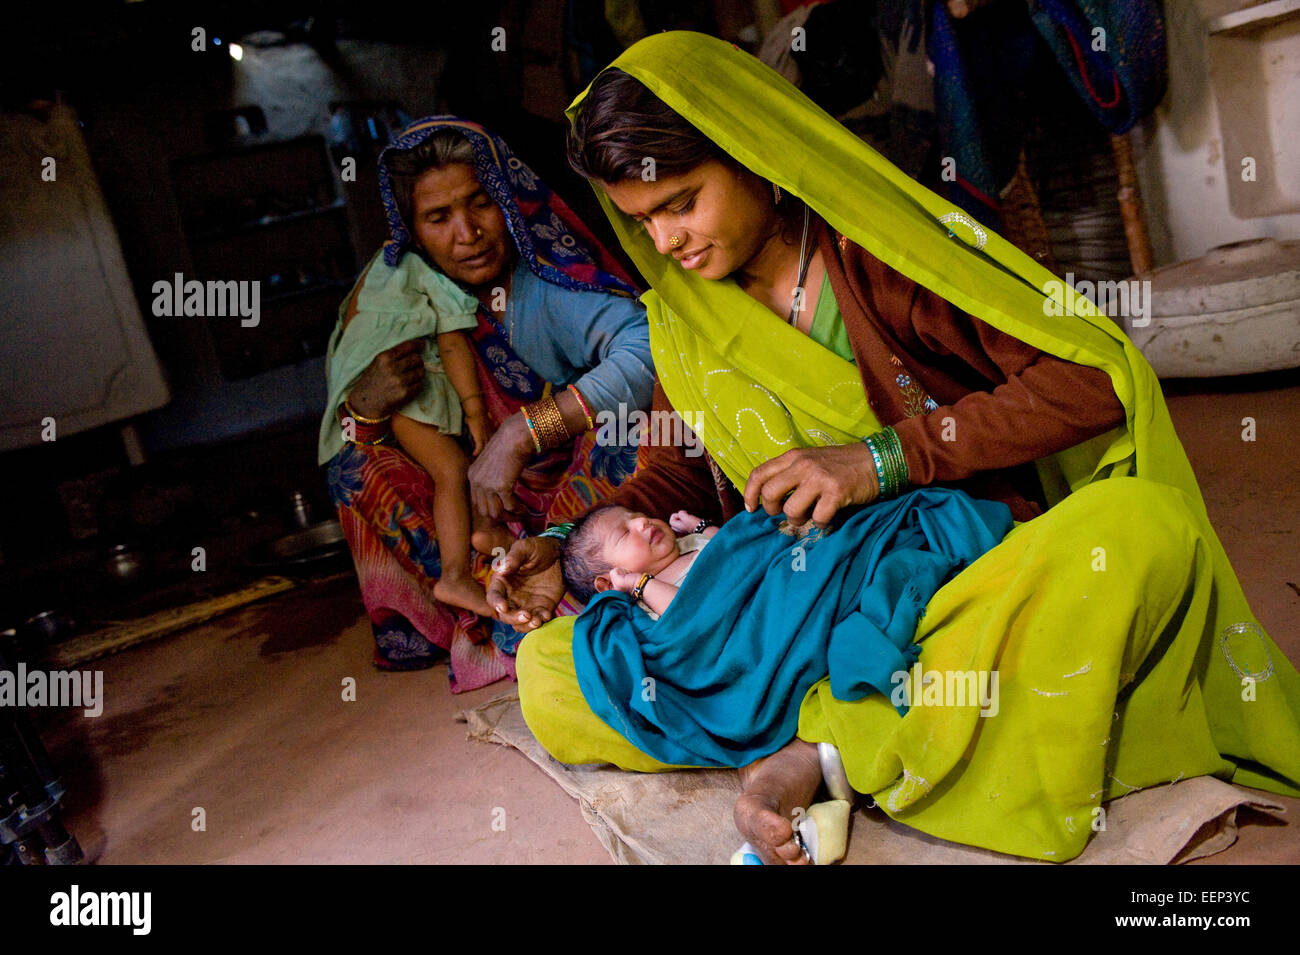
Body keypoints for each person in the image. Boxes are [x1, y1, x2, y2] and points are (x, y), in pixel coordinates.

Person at [488, 32, 1300, 863]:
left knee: (1138, 529)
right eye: (641, 222)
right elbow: (676, 469)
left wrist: (884, 459)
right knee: (551, 665)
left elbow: (1089, 380)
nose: (667, 244)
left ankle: (826, 741)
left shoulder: (881, 253)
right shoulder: (685, 315)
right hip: (777, 625)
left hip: (940, 589)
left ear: (752, 153)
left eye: (682, 203)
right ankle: (858, 725)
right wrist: (566, 547)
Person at [319, 117, 654, 690]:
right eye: (438, 218)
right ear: (413, 231)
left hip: (577, 492)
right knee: (356, 462)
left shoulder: (546, 283)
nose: (467, 233)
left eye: (480, 204)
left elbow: (652, 351)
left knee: (633, 428)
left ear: (508, 199)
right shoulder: (403, 298)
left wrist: (525, 431)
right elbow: (376, 434)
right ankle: (490, 590)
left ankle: (568, 580)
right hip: (483, 510)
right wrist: (368, 405)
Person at [326, 249, 499, 617]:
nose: (464, 237)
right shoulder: (422, 266)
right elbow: (452, 342)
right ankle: (454, 575)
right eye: (438, 218)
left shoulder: (380, 272)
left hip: (394, 395)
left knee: (460, 467)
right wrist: (474, 409)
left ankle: (484, 537)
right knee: (451, 470)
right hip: (408, 392)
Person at [560, 505, 716, 616]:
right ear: (610, 584)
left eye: (639, 515)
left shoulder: (689, 542)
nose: (642, 521)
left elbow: (731, 541)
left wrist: (699, 527)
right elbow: (687, 614)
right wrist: (640, 584)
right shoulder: (648, 602)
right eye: (625, 533)